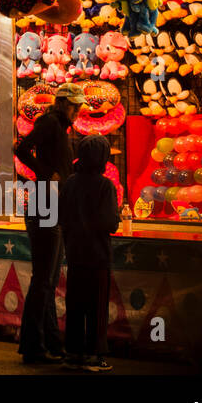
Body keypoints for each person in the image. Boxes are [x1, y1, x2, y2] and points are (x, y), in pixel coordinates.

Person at [13, 82, 83, 364]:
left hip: (54, 203)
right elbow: (21, 149)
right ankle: (32, 345)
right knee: (43, 279)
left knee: (49, 280)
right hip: (45, 203)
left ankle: (52, 343)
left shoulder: (60, 127)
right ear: (65, 104)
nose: (77, 112)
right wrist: (47, 174)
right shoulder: (50, 123)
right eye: (75, 106)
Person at [59, 134, 119, 372]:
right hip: (98, 256)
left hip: (74, 252)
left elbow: (61, 215)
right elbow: (110, 223)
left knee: (75, 304)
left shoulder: (71, 182)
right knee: (96, 307)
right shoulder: (105, 185)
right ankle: (96, 354)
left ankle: (73, 352)